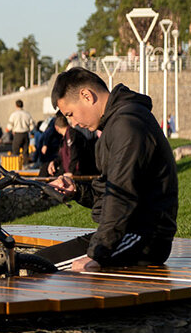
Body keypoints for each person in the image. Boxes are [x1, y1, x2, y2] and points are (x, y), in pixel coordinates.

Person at [38, 68, 179, 271]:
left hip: (143, 239)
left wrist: (98, 254)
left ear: (87, 95)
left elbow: (121, 195)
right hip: (126, 235)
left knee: (39, 267)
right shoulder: (117, 123)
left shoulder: (127, 124)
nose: (74, 122)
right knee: (34, 262)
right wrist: (77, 190)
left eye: (71, 114)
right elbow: (110, 192)